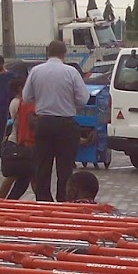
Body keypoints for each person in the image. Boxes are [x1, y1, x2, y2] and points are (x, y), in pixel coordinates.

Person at [23, 40, 90, 202]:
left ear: (47, 53)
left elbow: (26, 97)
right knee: (65, 167)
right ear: (64, 54)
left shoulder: (36, 71)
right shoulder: (71, 72)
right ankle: (63, 199)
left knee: (43, 166)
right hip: (66, 124)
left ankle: (43, 200)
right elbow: (83, 98)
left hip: (44, 123)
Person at [0, 74, 35, 200]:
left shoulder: (20, 102)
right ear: (20, 88)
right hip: (17, 142)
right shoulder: (18, 103)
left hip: (20, 141)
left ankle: (9, 200)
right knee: (14, 174)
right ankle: (1, 200)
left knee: (25, 177)